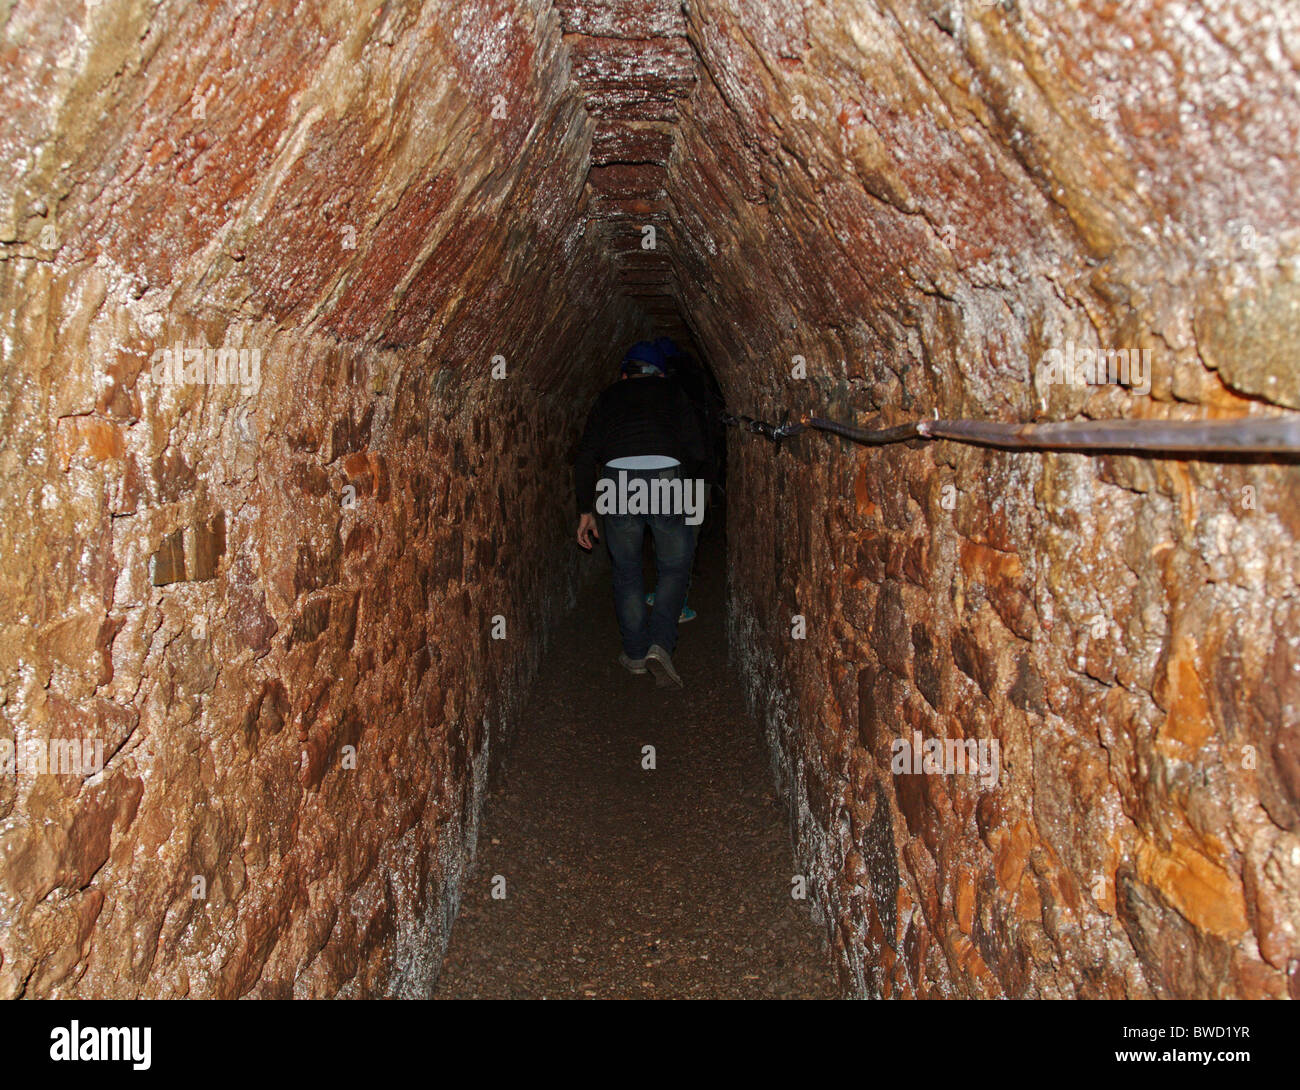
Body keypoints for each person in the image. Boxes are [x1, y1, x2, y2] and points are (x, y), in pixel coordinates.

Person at [574, 340, 713, 687]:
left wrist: (584, 510)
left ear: (624, 373)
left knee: (626, 571)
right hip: (666, 475)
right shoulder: (673, 393)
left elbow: (584, 456)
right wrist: (686, 482)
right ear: (660, 373)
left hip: (616, 481)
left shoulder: (608, 397)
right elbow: (698, 449)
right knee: (674, 567)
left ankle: (635, 653)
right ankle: (660, 645)